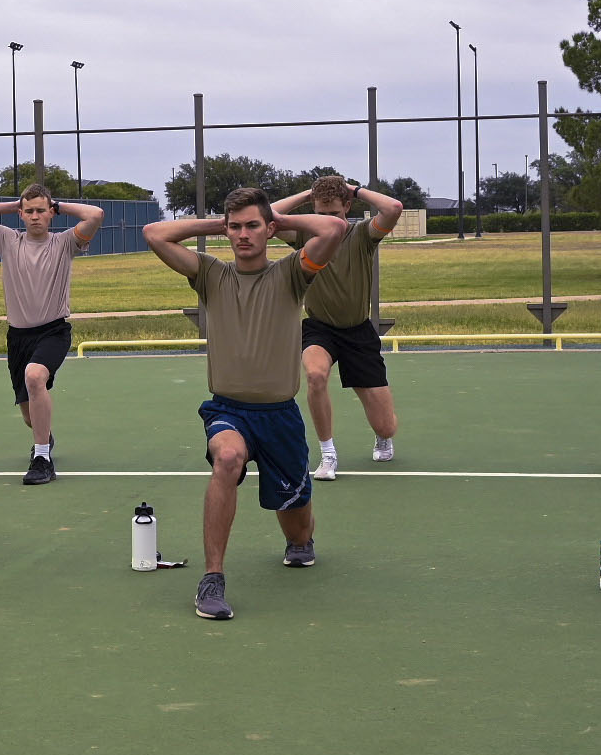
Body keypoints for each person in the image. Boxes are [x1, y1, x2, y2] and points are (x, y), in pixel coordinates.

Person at [141, 186, 346, 621]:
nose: (242, 234)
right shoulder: (211, 274)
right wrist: (218, 224)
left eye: (252, 225)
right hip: (228, 410)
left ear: (269, 229)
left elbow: (334, 227)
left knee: (298, 529)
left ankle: (300, 537)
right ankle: (212, 578)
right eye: (234, 227)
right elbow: (155, 233)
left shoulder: (293, 272)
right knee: (227, 459)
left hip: (280, 417)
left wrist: (277, 221)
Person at [0, 183, 105, 484]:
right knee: (30, 415)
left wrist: (59, 205)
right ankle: (44, 436)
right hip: (18, 337)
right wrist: (15, 203)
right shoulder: (6, 240)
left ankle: (42, 458)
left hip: (53, 331)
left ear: (51, 213)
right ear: (21, 214)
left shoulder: (65, 242)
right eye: (29, 211)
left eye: (42, 210)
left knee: (35, 376)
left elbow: (95, 214)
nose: (36, 216)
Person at [276, 174, 404, 477]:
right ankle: (328, 454)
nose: (328, 221)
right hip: (319, 328)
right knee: (316, 375)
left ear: (347, 206)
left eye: (334, 214)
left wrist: (356, 190)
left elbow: (395, 208)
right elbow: (268, 216)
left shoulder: (362, 235)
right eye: (321, 214)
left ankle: (382, 437)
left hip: (358, 332)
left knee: (387, 425)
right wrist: (308, 196)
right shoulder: (304, 236)